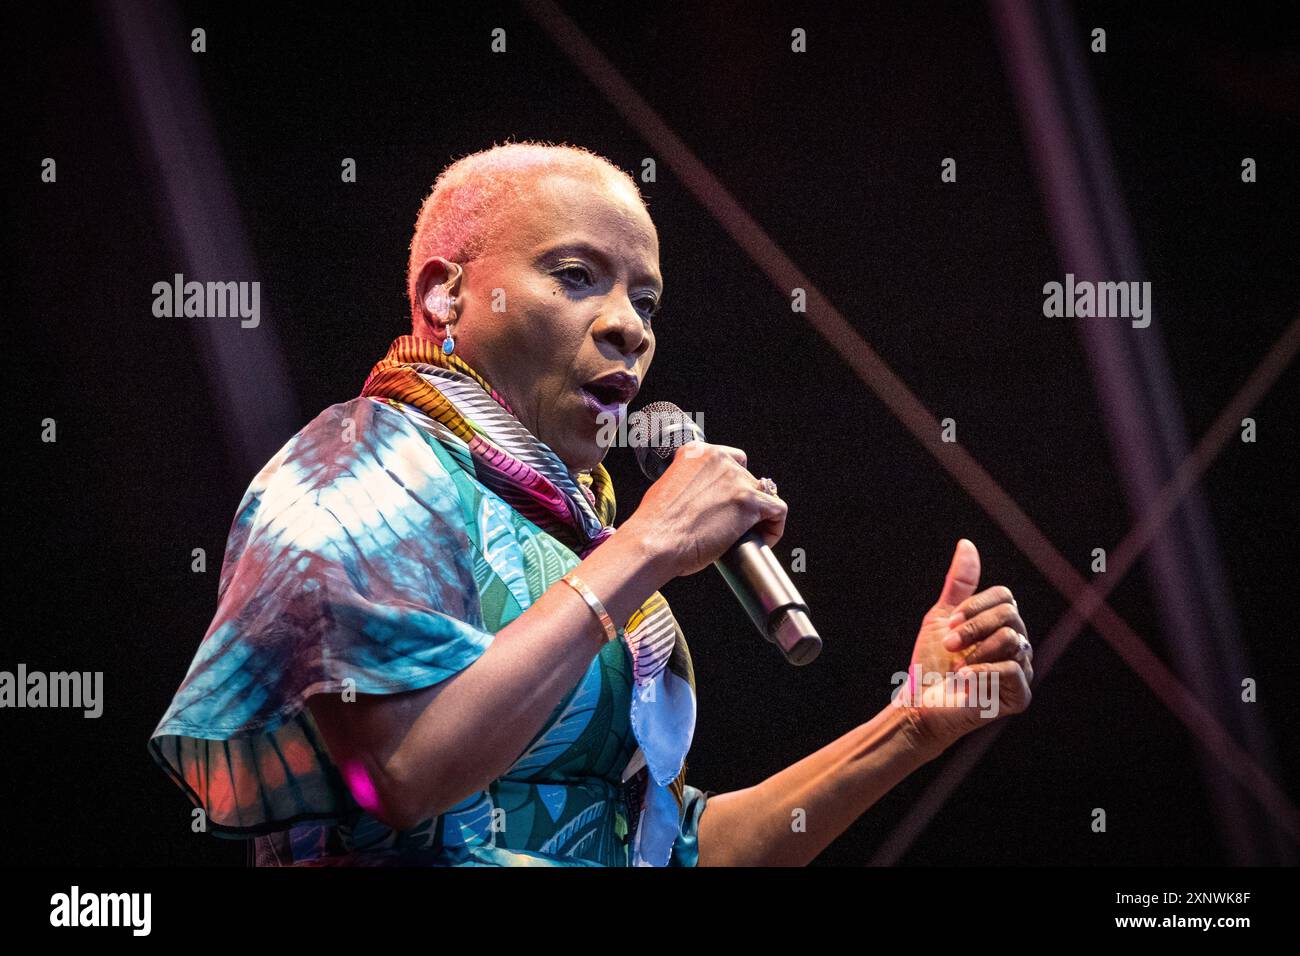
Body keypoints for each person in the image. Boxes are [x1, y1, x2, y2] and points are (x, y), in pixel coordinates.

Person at [149, 141, 1034, 866]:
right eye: (577, 277)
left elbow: (671, 852)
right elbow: (402, 775)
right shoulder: (360, 466)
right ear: (444, 294)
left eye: (643, 299)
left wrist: (912, 726)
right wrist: (648, 543)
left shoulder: (577, 535)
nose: (629, 325)